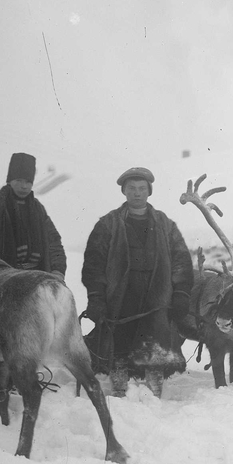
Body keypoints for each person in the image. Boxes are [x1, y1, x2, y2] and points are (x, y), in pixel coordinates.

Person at [82, 167, 193, 398]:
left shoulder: (165, 224)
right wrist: (96, 297)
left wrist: (181, 293)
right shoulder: (108, 224)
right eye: (131, 189)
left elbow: (181, 260)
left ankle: (154, 391)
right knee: (119, 344)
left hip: (156, 296)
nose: (137, 193)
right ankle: (119, 389)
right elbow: (94, 264)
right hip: (121, 294)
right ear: (124, 191)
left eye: (142, 189)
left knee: (155, 344)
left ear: (149, 191)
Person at [0, 152, 66, 276]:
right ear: (10, 180)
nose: (24, 186)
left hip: (36, 275)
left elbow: (54, 242)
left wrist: (57, 270)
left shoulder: (38, 208)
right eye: (19, 180)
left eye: (28, 182)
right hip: (0, 276)